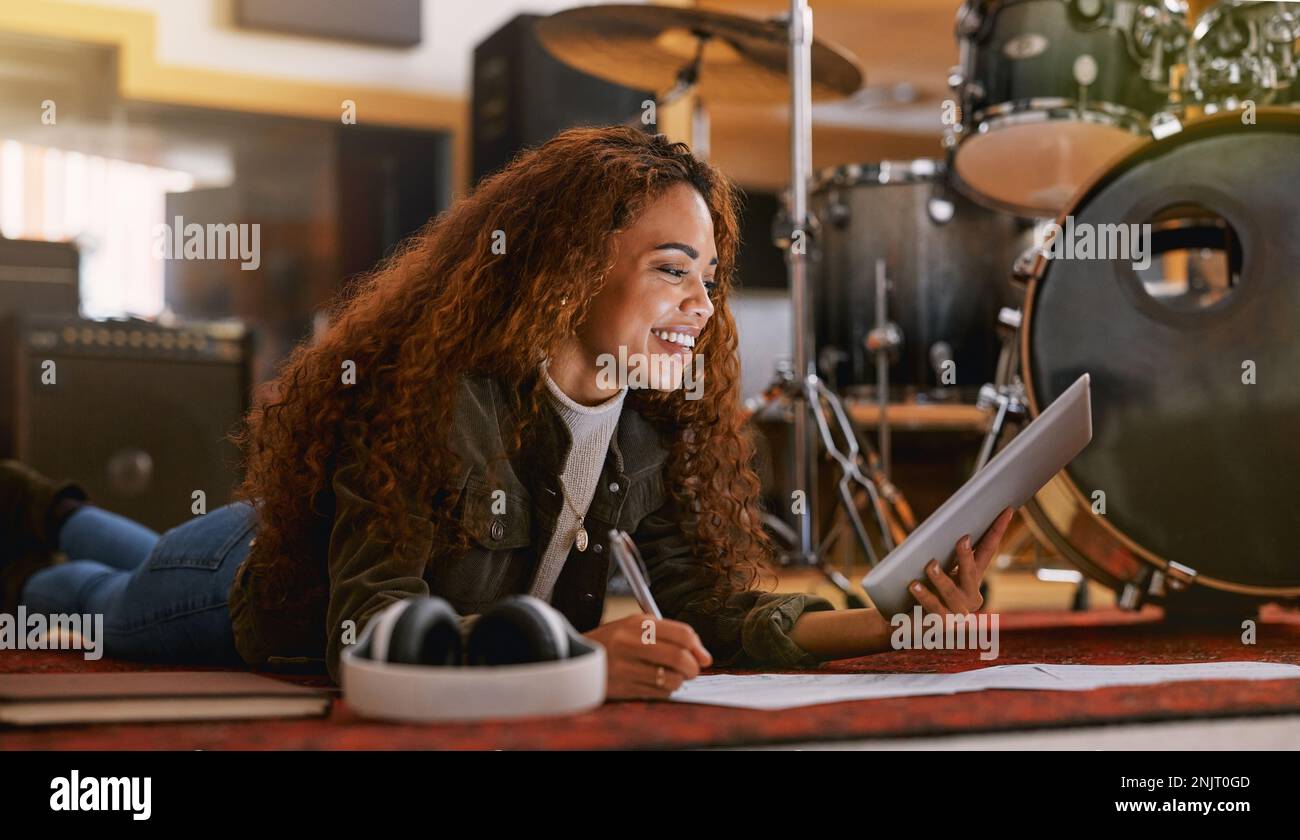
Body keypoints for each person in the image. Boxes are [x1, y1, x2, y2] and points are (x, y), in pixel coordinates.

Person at [0, 126, 1014, 698]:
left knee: (120, 553)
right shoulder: (439, 396)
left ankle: (50, 507)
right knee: (92, 599)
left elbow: (706, 613)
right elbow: (371, 632)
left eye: (709, 275)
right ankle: (46, 524)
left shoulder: (653, 417)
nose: (703, 307)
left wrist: (889, 624)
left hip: (264, 546)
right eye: (672, 271)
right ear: (571, 273)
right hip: (251, 580)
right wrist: (573, 663)